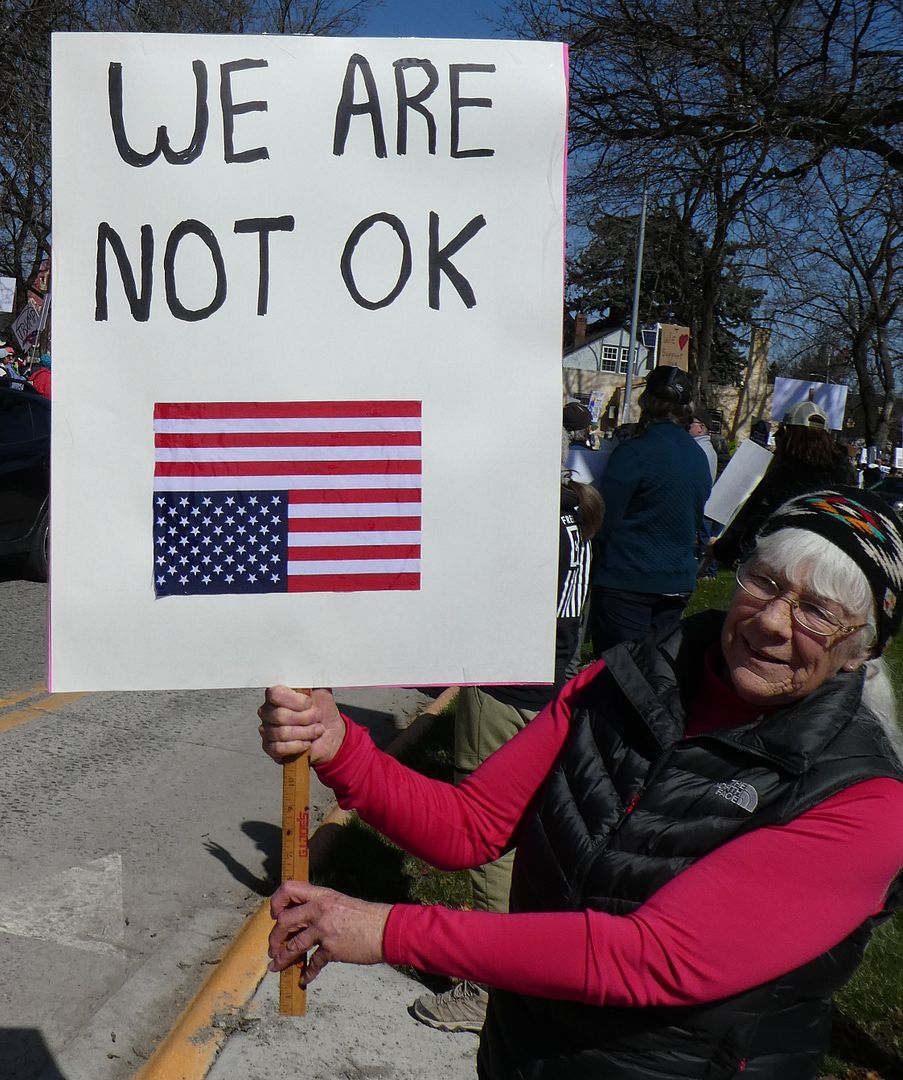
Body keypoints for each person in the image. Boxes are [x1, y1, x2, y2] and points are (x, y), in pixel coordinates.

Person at [259, 486, 903, 1080]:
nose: (773, 621)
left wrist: (389, 930)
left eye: (818, 612)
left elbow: (653, 958)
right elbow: (471, 827)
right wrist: (338, 744)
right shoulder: (621, 681)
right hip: (523, 1056)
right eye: (764, 583)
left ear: (860, 650)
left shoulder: (866, 802)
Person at [411, 471, 603, 1032]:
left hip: (503, 690)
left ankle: (488, 989)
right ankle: (523, 963)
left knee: (488, 839)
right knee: (531, 835)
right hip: (546, 687)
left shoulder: (531, 528)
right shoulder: (573, 520)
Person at [589, 365, 712, 656]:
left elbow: (603, 519)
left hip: (629, 577)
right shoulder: (697, 455)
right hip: (677, 579)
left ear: (647, 401)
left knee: (619, 676)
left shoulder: (635, 452)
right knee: (655, 673)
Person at [711, 400, 855, 568]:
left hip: (785, 567)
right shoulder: (845, 475)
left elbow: (760, 527)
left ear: (789, 434)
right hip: (832, 567)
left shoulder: (787, 475)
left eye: (781, 433)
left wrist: (721, 549)